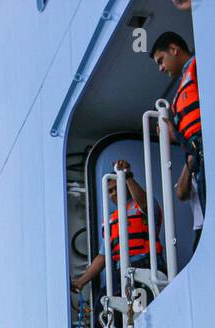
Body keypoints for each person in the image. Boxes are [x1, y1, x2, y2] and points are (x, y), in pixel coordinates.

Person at [71, 159, 164, 301]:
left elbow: (146, 204)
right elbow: (102, 257)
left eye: (117, 188)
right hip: (122, 273)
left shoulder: (141, 205)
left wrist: (127, 176)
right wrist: (80, 282)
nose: (114, 193)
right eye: (110, 191)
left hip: (147, 267)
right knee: (101, 305)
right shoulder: (110, 219)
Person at [150, 31, 205, 251]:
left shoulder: (198, 68)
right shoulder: (179, 94)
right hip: (200, 159)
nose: (161, 68)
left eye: (160, 61)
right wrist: (173, 132)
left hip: (210, 154)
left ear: (174, 49)